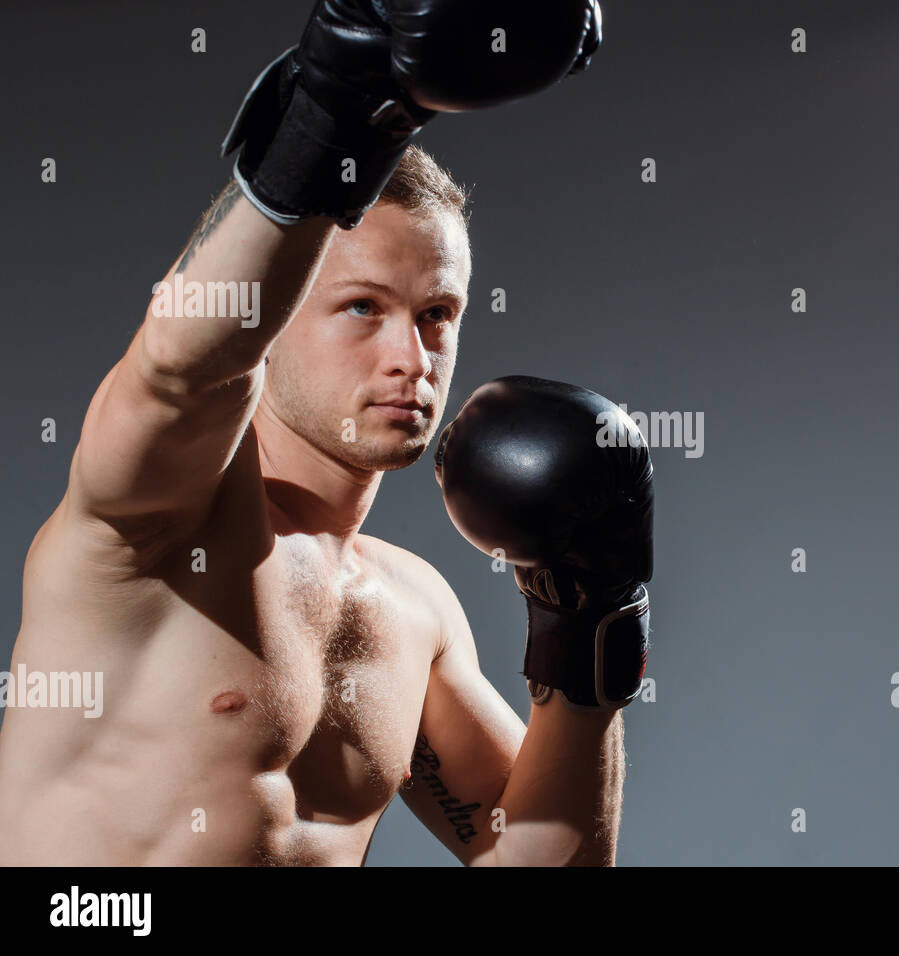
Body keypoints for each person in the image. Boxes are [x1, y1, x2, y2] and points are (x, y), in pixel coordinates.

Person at [0, 0, 652, 867]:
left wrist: (589, 630)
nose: (410, 356)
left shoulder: (413, 611)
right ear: (268, 317)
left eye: (437, 314)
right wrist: (333, 119)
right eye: (362, 308)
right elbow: (179, 369)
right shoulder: (159, 526)